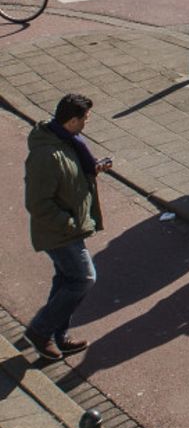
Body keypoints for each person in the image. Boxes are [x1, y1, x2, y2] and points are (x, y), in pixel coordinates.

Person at [25, 93, 112, 360]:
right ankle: (40, 331)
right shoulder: (47, 155)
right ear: (73, 120)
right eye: (85, 118)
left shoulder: (67, 141)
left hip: (69, 228)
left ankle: (57, 335)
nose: (88, 122)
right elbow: (38, 204)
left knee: (66, 279)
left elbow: (71, 175)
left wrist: (94, 169)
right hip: (60, 232)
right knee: (84, 279)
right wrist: (70, 223)